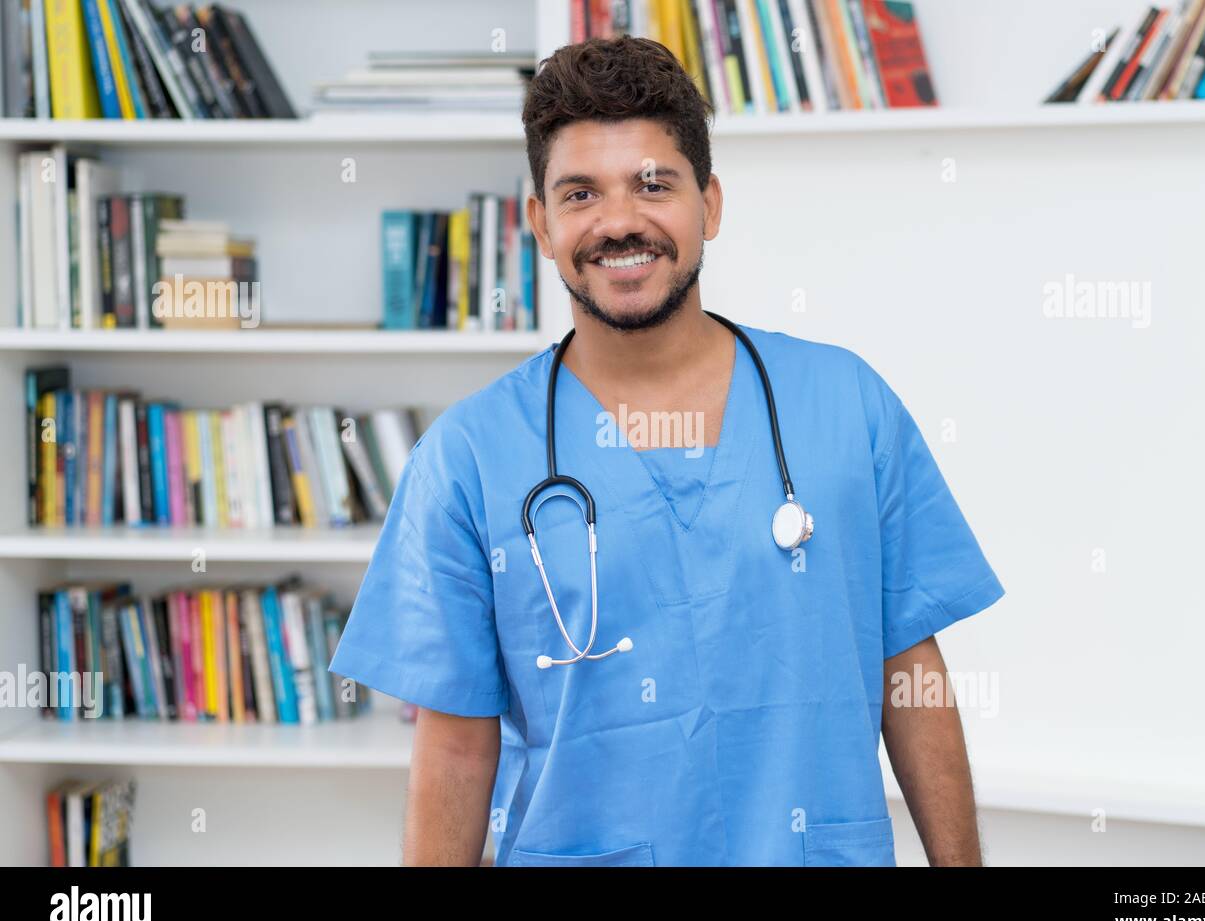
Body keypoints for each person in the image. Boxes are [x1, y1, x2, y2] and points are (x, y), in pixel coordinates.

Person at [328, 35, 1004, 867]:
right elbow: (457, 747)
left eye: (654, 184)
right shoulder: (466, 460)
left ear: (709, 204)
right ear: (540, 224)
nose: (619, 221)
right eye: (581, 193)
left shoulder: (846, 405)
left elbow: (912, 675)